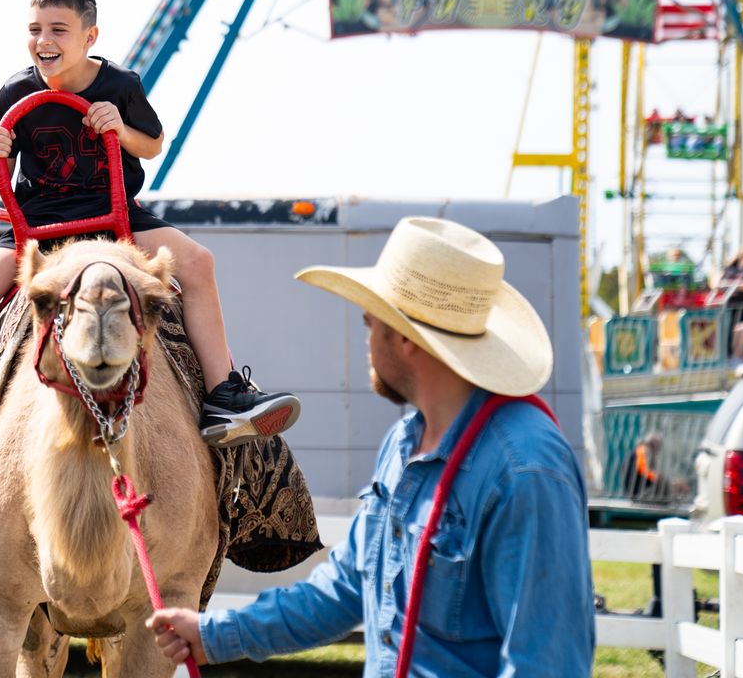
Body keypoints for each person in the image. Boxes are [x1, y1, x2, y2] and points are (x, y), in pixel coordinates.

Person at [0, 0, 300, 485]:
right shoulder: (16, 91)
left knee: (198, 262)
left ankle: (223, 394)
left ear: (89, 36)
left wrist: (119, 127)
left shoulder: (119, 84)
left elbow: (153, 144)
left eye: (58, 29)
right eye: (35, 29)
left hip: (113, 214)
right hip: (38, 222)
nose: (43, 41)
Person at [147, 217, 595, 676]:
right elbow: (347, 587)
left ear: (404, 338)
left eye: (371, 323)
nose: (366, 342)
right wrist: (214, 635)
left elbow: (547, 665)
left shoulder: (526, 470)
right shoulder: (405, 444)